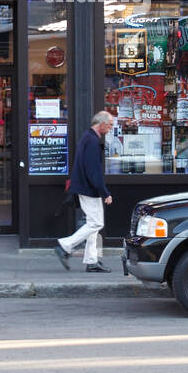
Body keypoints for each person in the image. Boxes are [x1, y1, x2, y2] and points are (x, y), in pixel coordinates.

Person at [55, 110, 115, 273]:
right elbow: (93, 172)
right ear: (101, 124)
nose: (110, 129)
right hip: (88, 189)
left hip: (85, 187)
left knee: (92, 224)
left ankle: (91, 261)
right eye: (109, 125)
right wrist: (105, 193)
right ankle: (65, 245)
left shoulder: (88, 137)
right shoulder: (93, 142)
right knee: (96, 223)